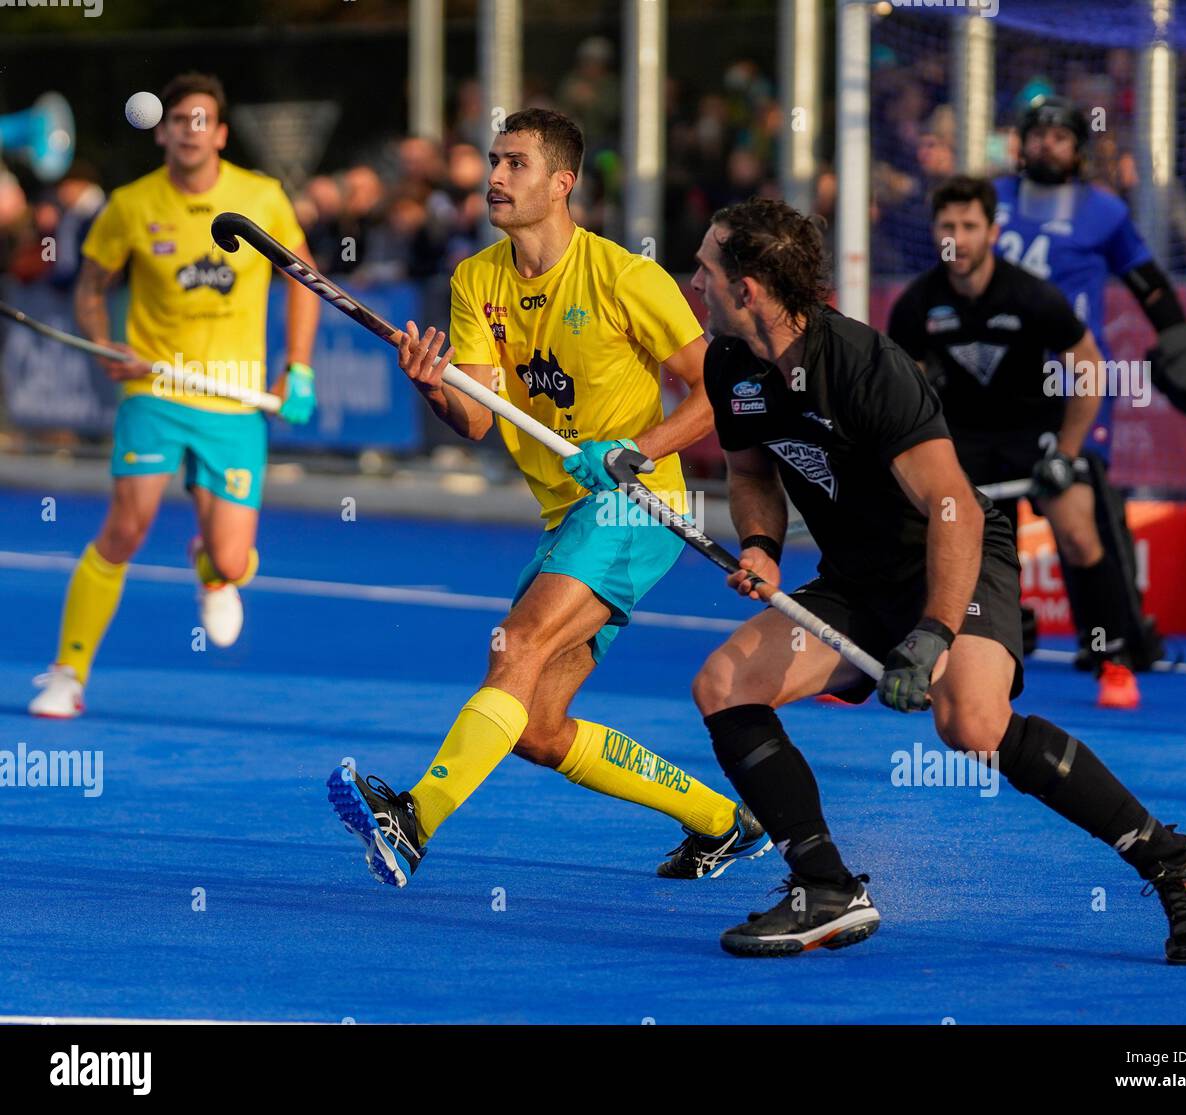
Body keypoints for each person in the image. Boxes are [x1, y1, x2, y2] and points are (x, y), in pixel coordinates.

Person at [687, 197, 1186, 963]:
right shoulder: (729, 362)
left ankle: (1175, 860)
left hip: (955, 556)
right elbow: (749, 469)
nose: (694, 281)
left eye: (706, 267)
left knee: (969, 722)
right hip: (857, 580)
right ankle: (826, 885)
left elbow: (955, 512)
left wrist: (933, 632)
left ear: (749, 287)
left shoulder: (865, 367)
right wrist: (763, 544)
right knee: (723, 684)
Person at [327, 109, 769, 887]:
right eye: (492, 161)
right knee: (533, 725)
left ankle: (415, 817)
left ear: (562, 183)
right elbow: (472, 420)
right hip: (567, 514)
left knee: (518, 644)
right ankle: (722, 820)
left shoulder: (624, 277)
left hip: (641, 503)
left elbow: (719, 393)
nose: (495, 177)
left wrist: (638, 451)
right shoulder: (476, 280)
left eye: (515, 164)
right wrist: (434, 388)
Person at [29, 72, 319, 719]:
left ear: (218, 133)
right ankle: (67, 673)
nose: (190, 131)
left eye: (202, 121)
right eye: (179, 119)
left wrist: (298, 368)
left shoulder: (262, 197)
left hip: (235, 403)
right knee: (125, 528)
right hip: (154, 391)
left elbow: (304, 279)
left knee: (232, 555)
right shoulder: (131, 205)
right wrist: (106, 345)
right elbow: (90, 288)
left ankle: (212, 569)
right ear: (163, 131)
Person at [993, 95, 1186, 678]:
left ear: (1080, 149)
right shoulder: (990, 202)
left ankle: (1114, 639)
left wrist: (1180, 340)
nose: (1048, 143)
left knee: (1091, 515)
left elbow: (1148, 284)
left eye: (1061, 135)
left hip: (1073, 383)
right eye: (1038, 133)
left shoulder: (1103, 211)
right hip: (994, 387)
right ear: (1021, 143)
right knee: (986, 513)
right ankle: (1003, 628)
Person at [888, 175, 1137, 708]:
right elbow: (901, 396)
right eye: (948, 226)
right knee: (916, 532)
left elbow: (1090, 366)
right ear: (935, 233)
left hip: (1035, 437)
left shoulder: (1029, 294)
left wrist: (1067, 454)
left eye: (970, 226)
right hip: (962, 442)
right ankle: (892, 656)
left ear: (993, 232)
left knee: (1076, 525)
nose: (958, 237)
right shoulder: (916, 304)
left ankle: (1112, 659)